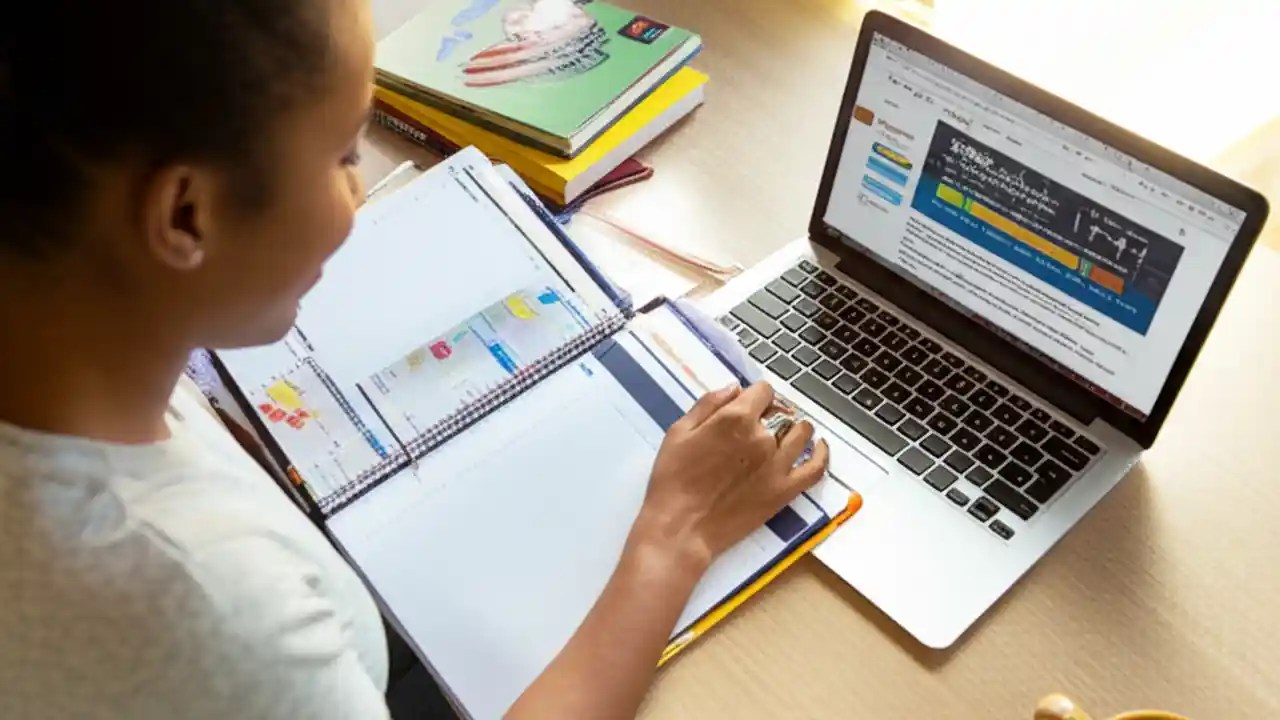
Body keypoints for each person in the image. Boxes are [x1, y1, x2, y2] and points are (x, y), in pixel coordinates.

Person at [0, 0, 829, 718]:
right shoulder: (207, 611)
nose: (358, 196)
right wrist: (670, 540)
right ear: (185, 215)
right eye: (342, 157)